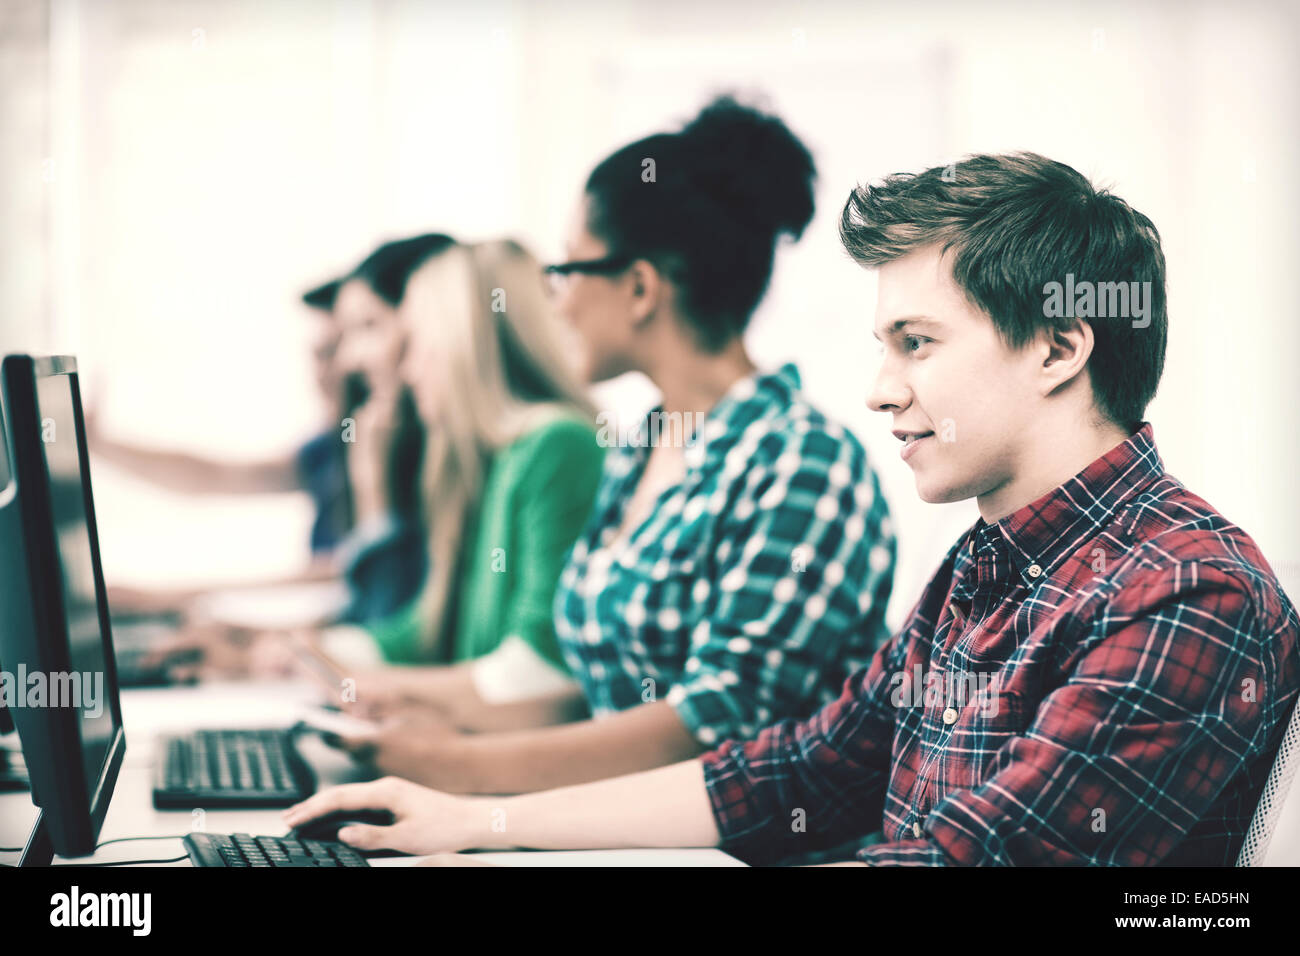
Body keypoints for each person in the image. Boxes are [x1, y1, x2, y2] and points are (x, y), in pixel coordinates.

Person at [285, 152, 1299, 866]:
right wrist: (476, 822)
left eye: (916, 341)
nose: (877, 388)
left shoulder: (1180, 589)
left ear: (1059, 347)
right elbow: (794, 767)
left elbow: (962, 862)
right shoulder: (985, 563)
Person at [323, 97, 896, 792]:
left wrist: (466, 768)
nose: (556, 298)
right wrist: (427, 716)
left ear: (639, 287)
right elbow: (598, 694)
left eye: (569, 268)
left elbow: (712, 723)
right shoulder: (637, 450)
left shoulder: (802, 463)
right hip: (613, 831)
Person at [305, 238, 605, 731]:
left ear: (457, 344)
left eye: (416, 344)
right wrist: (317, 651)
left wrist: (375, 686)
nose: (404, 370)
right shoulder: (490, 457)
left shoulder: (557, 445)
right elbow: (426, 629)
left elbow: (539, 670)